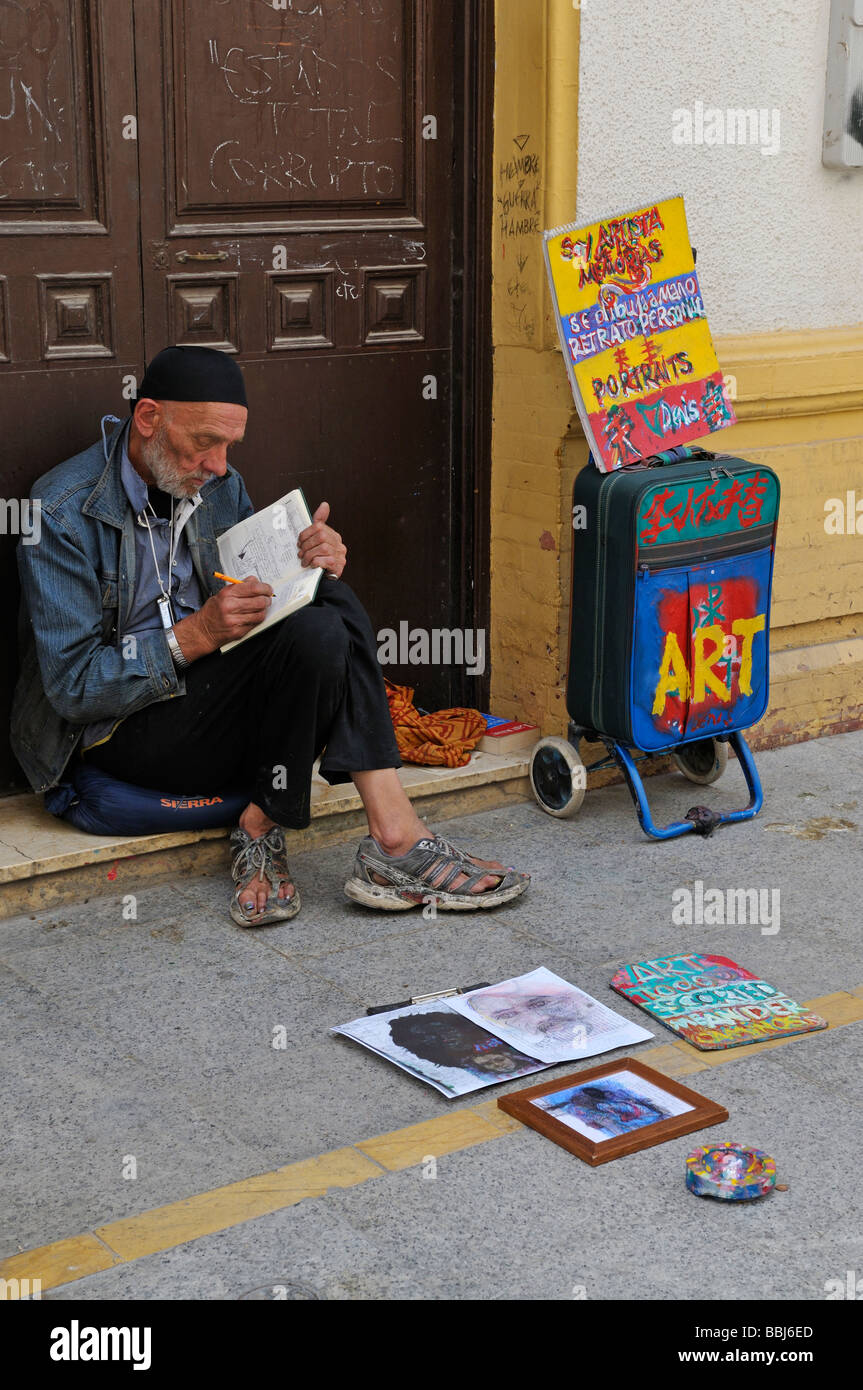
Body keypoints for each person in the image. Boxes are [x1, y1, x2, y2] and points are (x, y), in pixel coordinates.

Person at [12, 346, 530, 926]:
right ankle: (384, 837)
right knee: (316, 620)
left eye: (230, 444)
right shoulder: (58, 510)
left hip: (215, 712)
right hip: (120, 732)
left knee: (322, 606)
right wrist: (197, 634)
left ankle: (336, 829)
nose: (219, 464)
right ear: (150, 418)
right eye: (206, 441)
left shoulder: (217, 486)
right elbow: (73, 689)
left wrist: (310, 565)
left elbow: (277, 611)